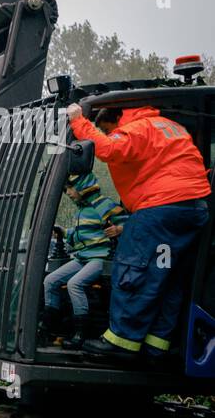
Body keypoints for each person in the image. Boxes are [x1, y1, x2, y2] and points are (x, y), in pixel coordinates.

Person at [67, 102, 211, 360]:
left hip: (161, 206)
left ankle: (122, 341)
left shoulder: (136, 128)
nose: (108, 135)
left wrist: (79, 122)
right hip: (193, 208)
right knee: (168, 274)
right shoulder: (171, 126)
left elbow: (109, 149)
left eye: (107, 129)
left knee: (133, 268)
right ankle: (156, 344)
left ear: (115, 118)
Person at [41, 171, 127, 348]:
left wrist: (119, 229)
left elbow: (129, 222)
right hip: (83, 257)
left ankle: (80, 333)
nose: (69, 193)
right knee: (50, 281)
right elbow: (79, 235)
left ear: (83, 186)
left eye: (70, 188)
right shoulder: (82, 210)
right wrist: (63, 233)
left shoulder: (103, 204)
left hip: (99, 258)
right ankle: (49, 329)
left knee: (75, 284)